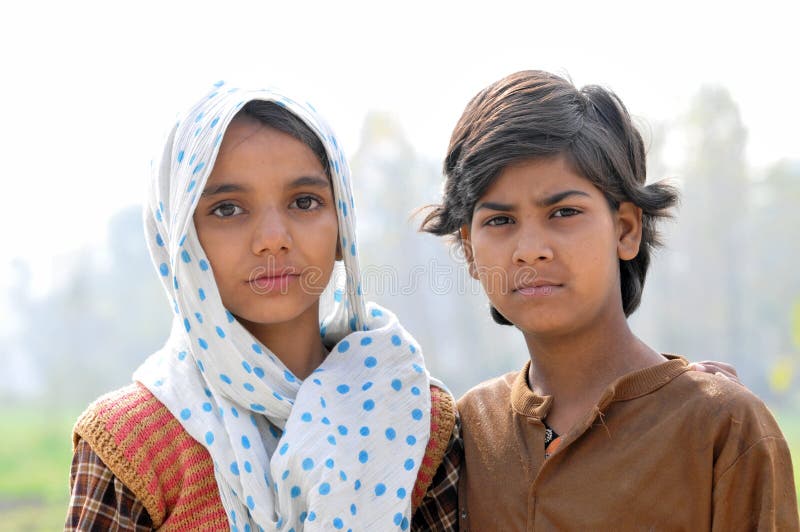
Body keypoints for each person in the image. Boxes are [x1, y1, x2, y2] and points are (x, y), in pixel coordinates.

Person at [417, 70, 799, 530]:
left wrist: (696, 400)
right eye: (500, 221)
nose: (530, 248)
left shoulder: (722, 428)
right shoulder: (466, 432)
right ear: (469, 250)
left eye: (564, 212)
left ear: (625, 229)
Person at [65, 83, 456, 531]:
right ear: (181, 241)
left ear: (342, 224)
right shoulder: (130, 443)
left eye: (304, 202)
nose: (273, 236)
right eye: (228, 209)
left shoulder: (410, 410)